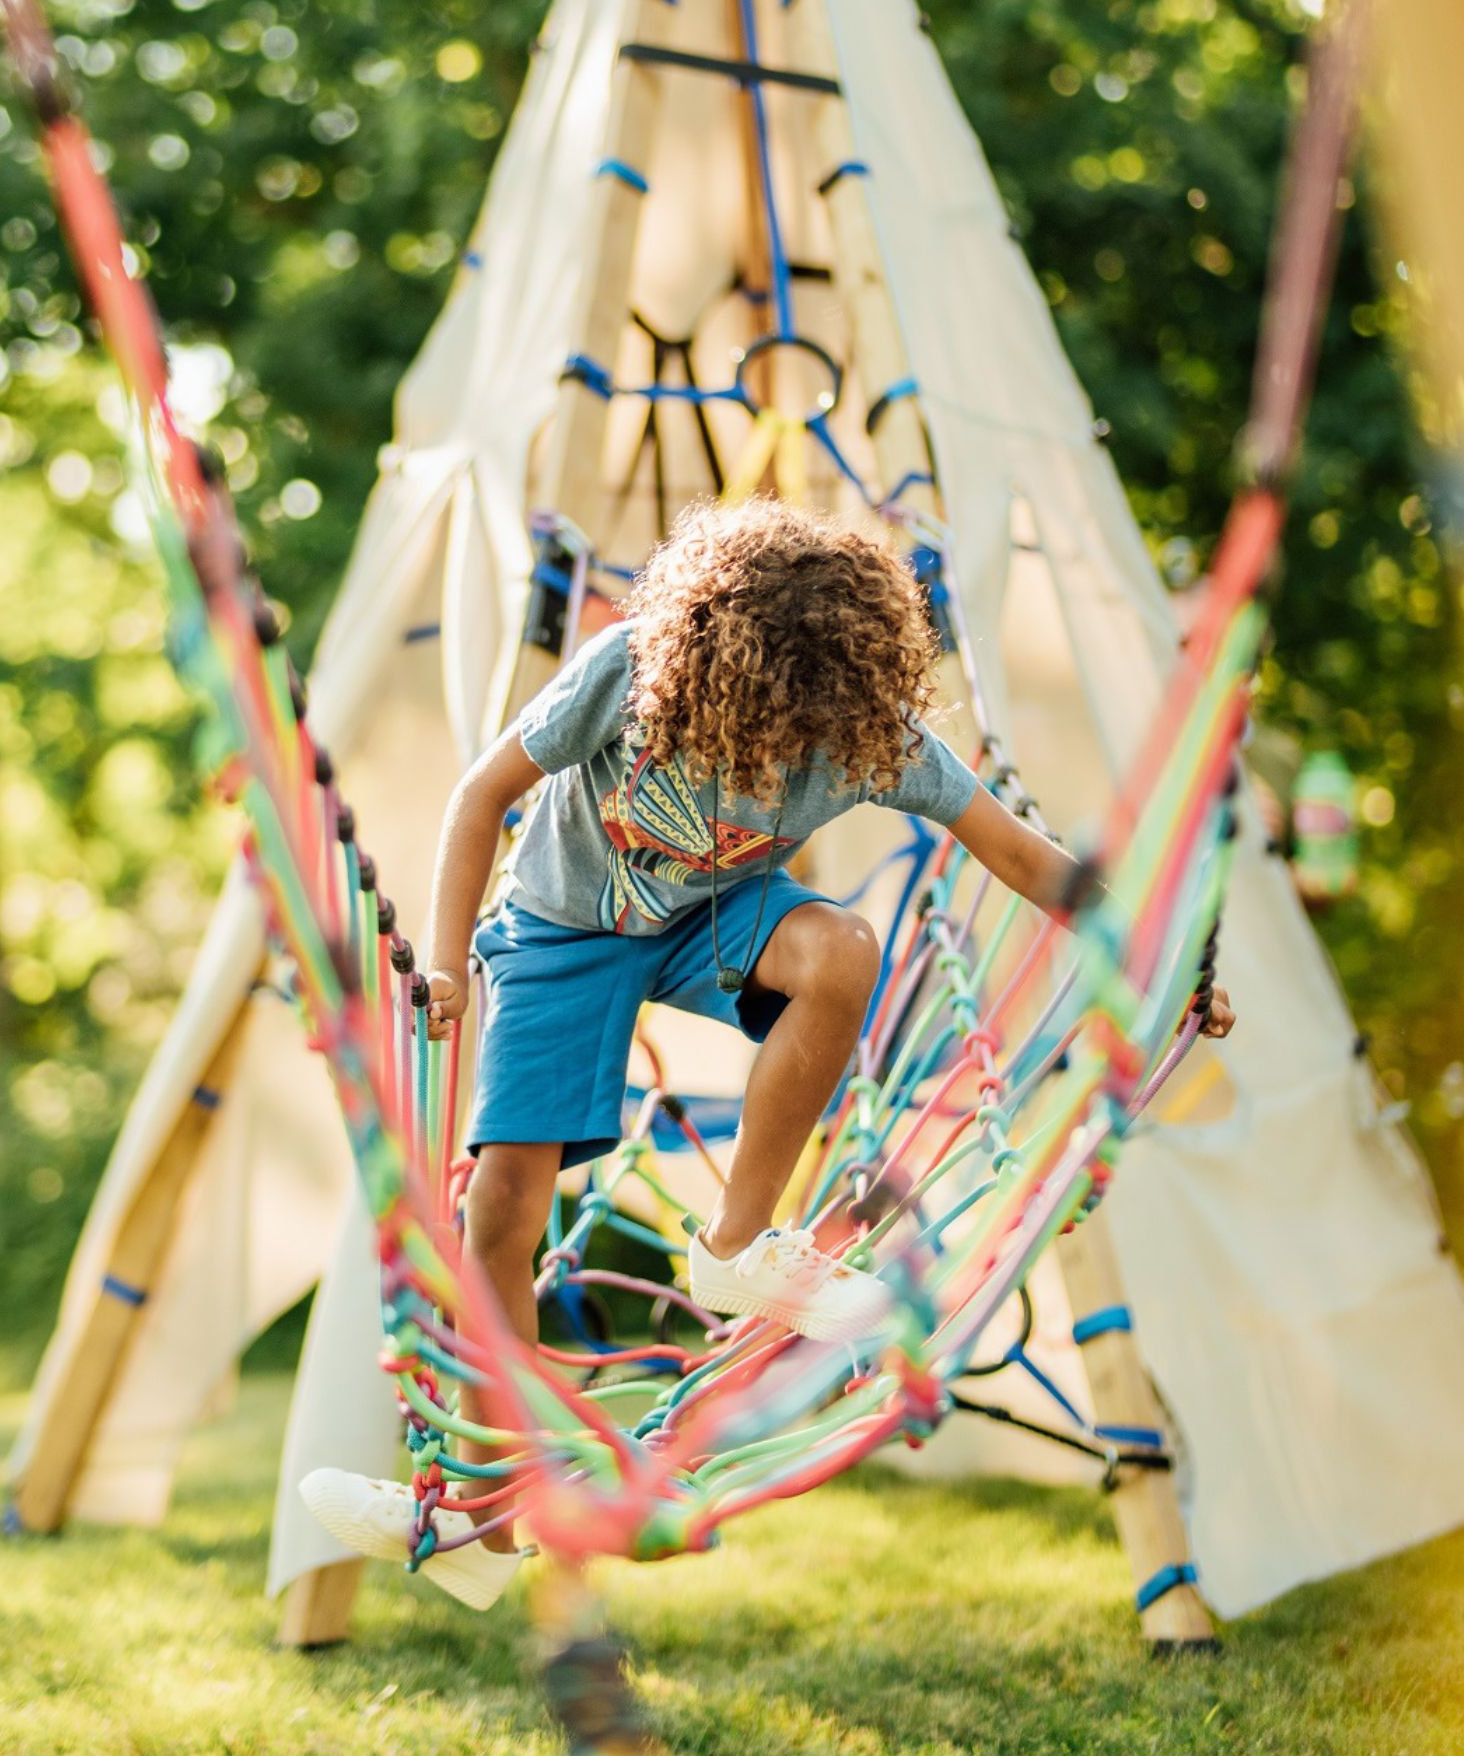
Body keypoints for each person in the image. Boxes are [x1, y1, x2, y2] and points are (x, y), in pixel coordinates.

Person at [303, 499, 1235, 1607]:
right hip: (561, 926)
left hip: (713, 918)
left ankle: (739, 1246)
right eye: (754, 725)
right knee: (503, 1205)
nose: (778, 755)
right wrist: (449, 960)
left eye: (807, 737)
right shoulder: (628, 670)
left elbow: (1028, 862)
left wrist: (1169, 957)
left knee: (841, 949)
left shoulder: (872, 735)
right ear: (702, 670)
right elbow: (481, 797)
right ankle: (476, 1526)